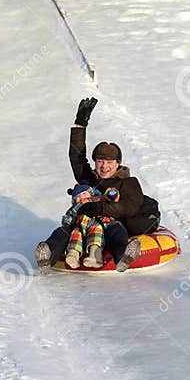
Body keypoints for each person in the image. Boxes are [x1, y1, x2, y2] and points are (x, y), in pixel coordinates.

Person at [36, 97, 161, 274]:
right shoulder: (90, 179)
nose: (104, 166)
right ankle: (47, 256)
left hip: (111, 225)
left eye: (109, 162)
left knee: (117, 232)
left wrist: (101, 208)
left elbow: (130, 206)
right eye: (100, 161)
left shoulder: (129, 182)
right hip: (83, 225)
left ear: (118, 163)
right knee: (63, 232)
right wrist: (80, 125)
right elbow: (76, 157)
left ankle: (123, 256)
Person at [61, 184, 118, 268]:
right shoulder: (75, 208)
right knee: (75, 234)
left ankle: (95, 257)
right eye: (77, 196)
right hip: (81, 228)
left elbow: (109, 201)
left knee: (96, 231)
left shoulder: (97, 201)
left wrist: (112, 194)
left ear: (91, 194)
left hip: (97, 225)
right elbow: (69, 217)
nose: (81, 197)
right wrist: (67, 221)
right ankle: (73, 255)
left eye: (84, 193)